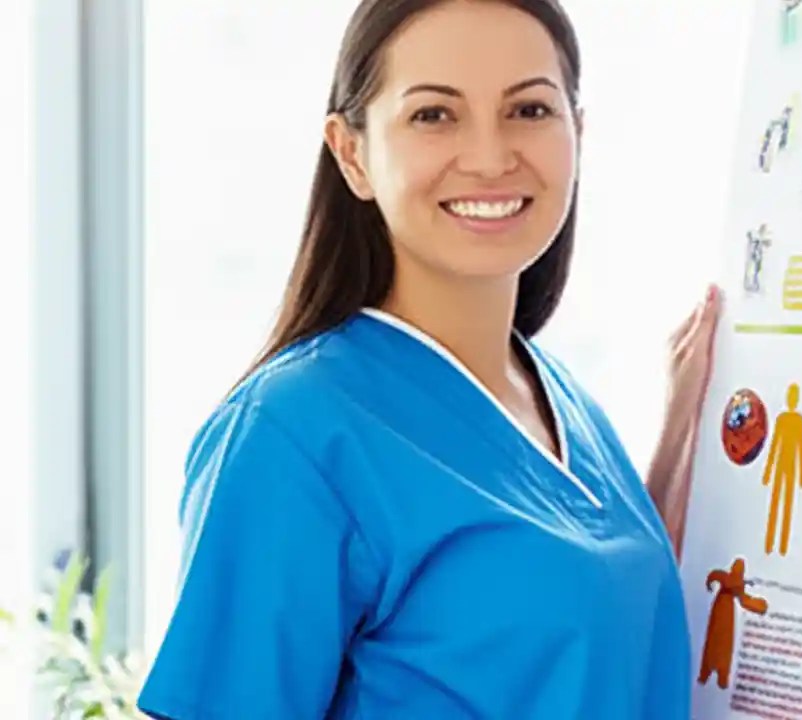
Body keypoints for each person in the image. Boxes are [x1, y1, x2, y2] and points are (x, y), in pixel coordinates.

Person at [136, 1, 721, 718]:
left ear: (578, 132)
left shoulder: (559, 401)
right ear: (352, 153)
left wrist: (684, 444)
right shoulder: (292, 434)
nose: (489, 156)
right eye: (434, 116)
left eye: (530, 110)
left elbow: (594, 625)